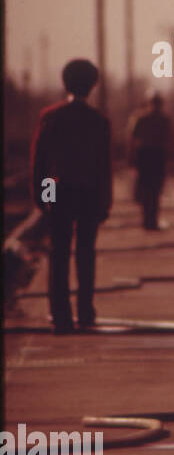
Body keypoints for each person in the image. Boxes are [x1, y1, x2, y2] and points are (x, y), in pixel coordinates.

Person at [30, 60, 112, 333]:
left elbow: (41, 162)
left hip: (58, 191)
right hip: (88, 191)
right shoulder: (99, 121)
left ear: (65, 83)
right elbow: (104, 167)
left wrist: (43, 197)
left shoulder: (51, 117)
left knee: (59, 253)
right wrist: (105, 200)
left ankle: (60, 316)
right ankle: (86, 313)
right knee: (86, 252)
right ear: (92, 86)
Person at [126, 93, 171, 230]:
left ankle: (147, 219)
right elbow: (168, 140)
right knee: (155, 190)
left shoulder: (140, 118)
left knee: (146, 189)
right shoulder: (164, 119)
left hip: (145, 155)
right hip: (157, 156)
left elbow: (132, 138)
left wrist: (131, 157)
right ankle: (152, 219)